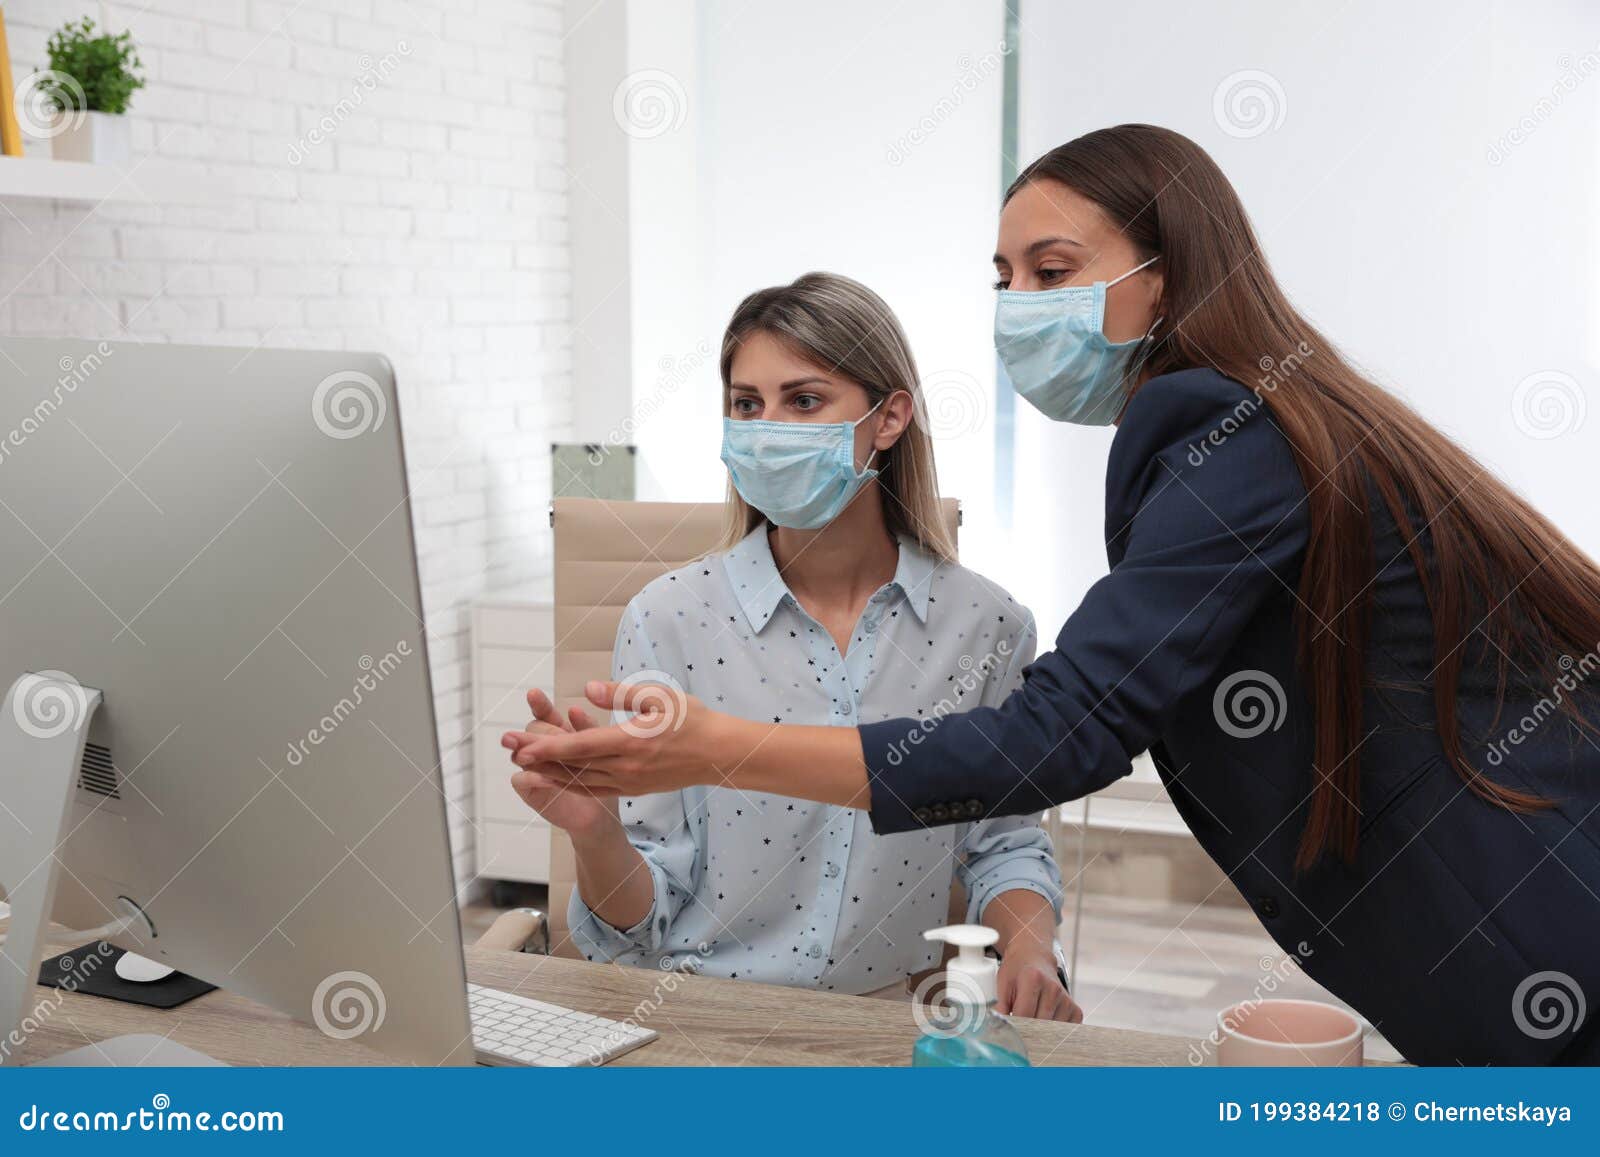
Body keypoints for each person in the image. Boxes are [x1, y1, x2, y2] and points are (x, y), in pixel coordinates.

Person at [506, 125, 1600, 1065]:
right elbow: (635, 915)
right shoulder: (670, 615)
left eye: (1052, 269)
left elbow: (1052, 749)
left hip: (1526, 919)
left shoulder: (1218, 445)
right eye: (1003, 277)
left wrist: (717, 746)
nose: (1017, 308)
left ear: (1163, 279)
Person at [512, 272, 1077, 1020]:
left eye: (803, 400)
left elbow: (1001, 843)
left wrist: (1032, 950)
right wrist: (596, 835)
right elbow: (637, 926)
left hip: (885, 1023)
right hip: (698, 1018)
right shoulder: (670, 617)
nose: (767, 425)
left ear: (889, 417)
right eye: (747, 404)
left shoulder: (988, 626)